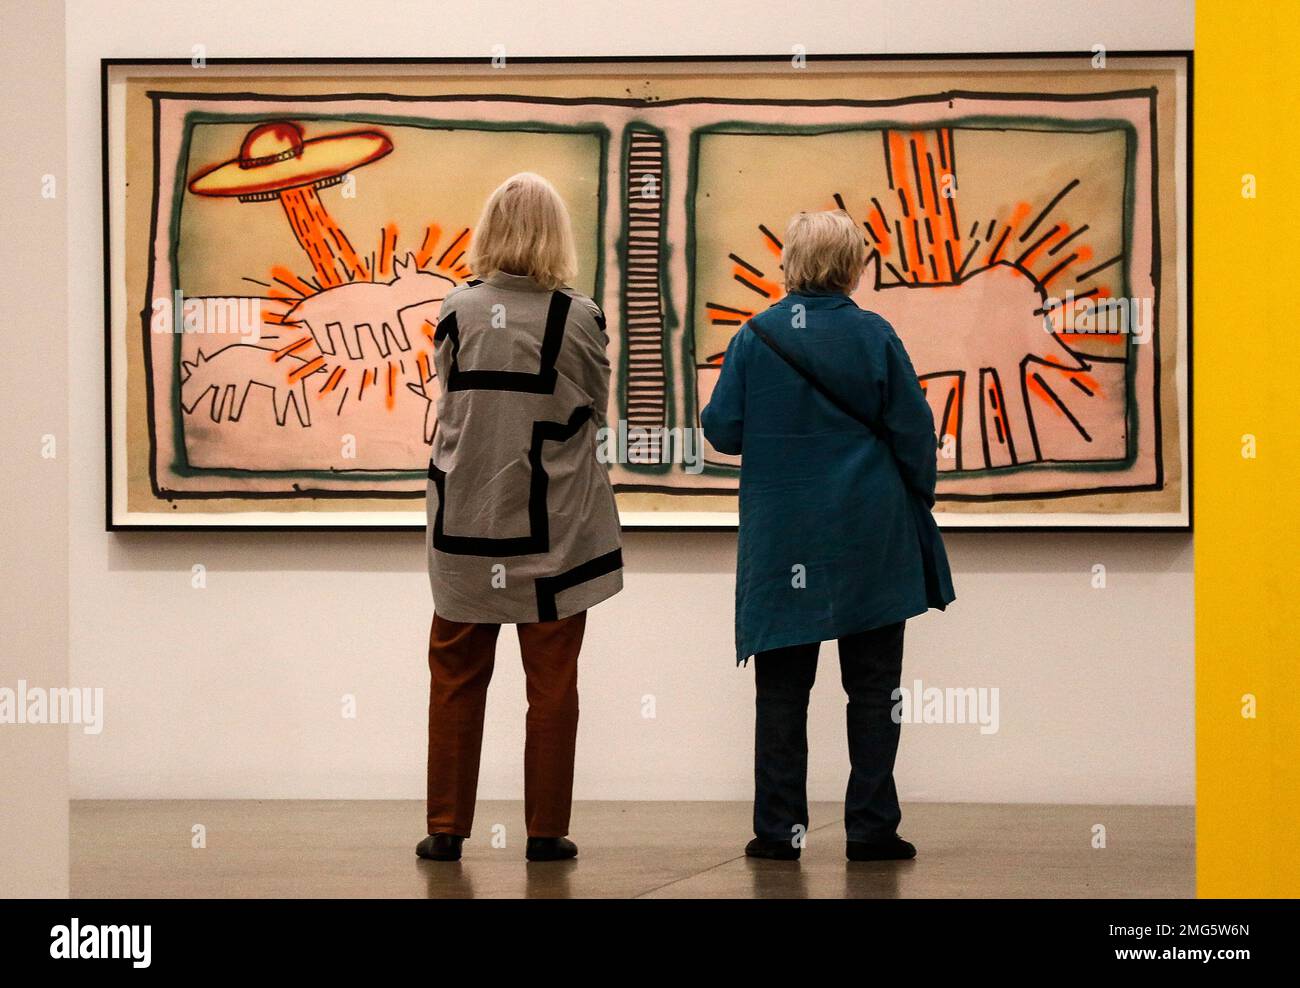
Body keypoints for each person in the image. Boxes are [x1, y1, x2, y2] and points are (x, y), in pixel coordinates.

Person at [701, 209, 955, 863]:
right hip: (872, 534)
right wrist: (915, 501)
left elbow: (722, 429)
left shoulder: (755, 337)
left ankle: (779, 830)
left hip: (783, 538)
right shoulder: (875, 335)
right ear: (853, 267)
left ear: (789, 261)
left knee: (783, 691)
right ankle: (871, 830)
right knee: (873, 690)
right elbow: (915, 433)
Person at [418, 173, 623, 864]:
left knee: (453, 679)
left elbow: (450, 396)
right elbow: (597, 402)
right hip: (557, 528)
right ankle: (545, 831)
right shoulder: (581, 315)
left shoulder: (455, 309)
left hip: (464, 521)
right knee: (553, 683)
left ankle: (445, 828)